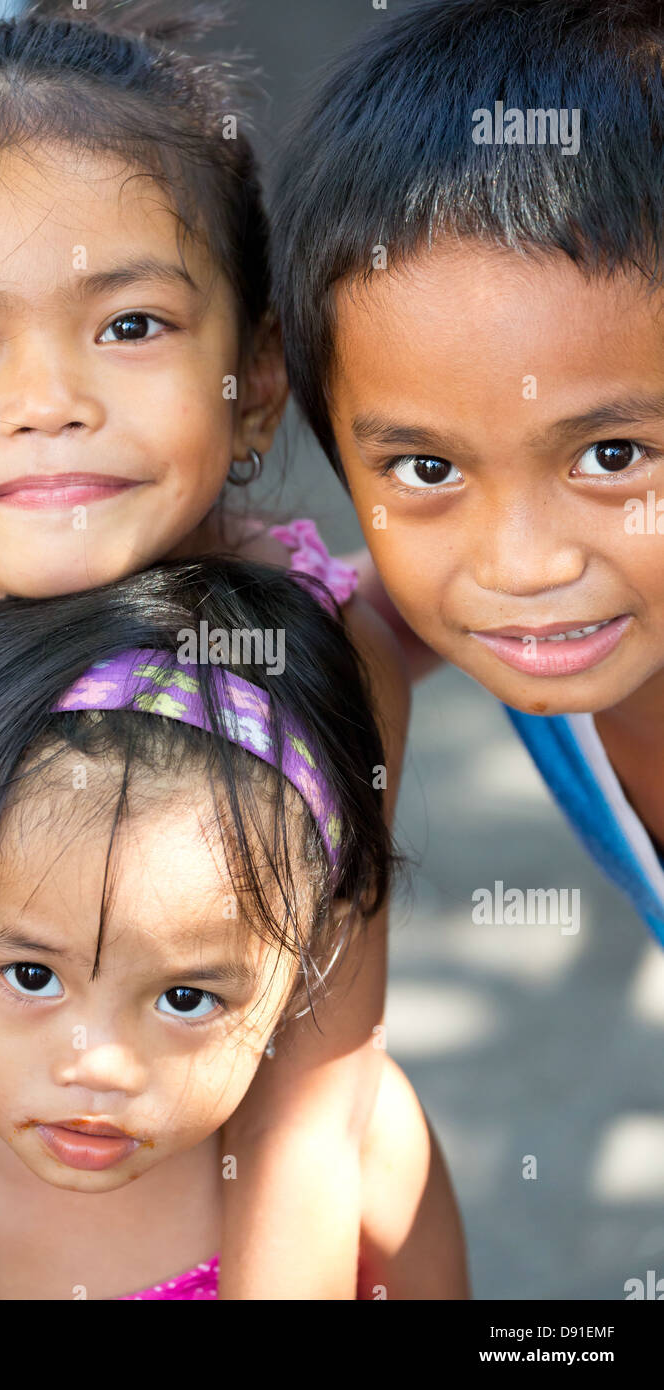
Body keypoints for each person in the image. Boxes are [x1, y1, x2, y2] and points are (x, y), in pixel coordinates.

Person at [0, 3, 408, 1298]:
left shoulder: (304, 632)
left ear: (252, 375)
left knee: (386, 1129)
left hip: (168, 1154)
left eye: (128, 323)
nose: (49, 401)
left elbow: (313, 1102)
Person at [0, 557, 468, 1299]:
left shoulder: (367, 1136)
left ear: (308, 956)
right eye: (32, 976)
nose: (100, 1067)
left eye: (187, 998)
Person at [271, 0, 664, 947]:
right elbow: (351, 619)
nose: (520, 566)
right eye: (428, 467)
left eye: (611, 457)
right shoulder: (533, 617)